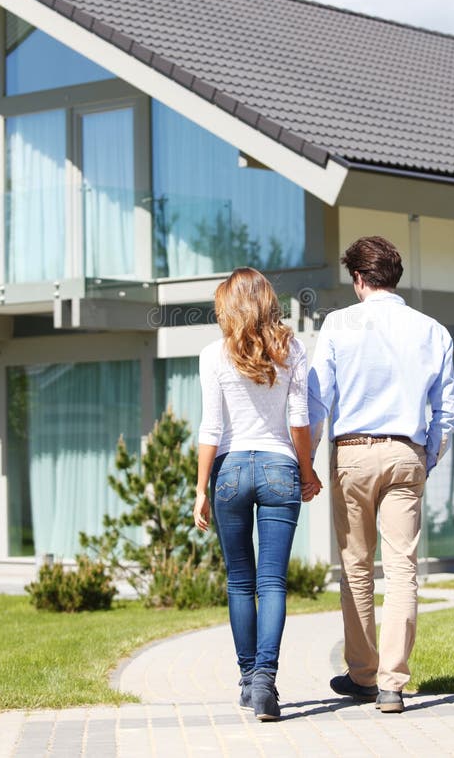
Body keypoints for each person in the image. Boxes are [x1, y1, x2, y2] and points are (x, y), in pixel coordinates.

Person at [308, 236, 454, 714]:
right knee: (402, 569)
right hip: (405, 452)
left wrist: (305, 462)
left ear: (358, 279)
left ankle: (363, 676)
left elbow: (316, 402)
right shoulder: (433, 330)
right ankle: (394, 684)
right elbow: (446, 414)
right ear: (394, 276)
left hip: (351, 453)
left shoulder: (336, 325)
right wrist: (426, 459)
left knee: (356, 568)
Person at [194, 267, 322, 721]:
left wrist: (200, 490)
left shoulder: (213, 355)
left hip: (229, 470)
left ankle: (248, 679)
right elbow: (299, 421)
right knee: (272, 583)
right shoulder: (292, 349)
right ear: (269, 301)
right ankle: (265, 683)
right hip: (278, 469)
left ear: (227, 305)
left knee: (240, 583)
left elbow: (211, 427)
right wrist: (307, 471)